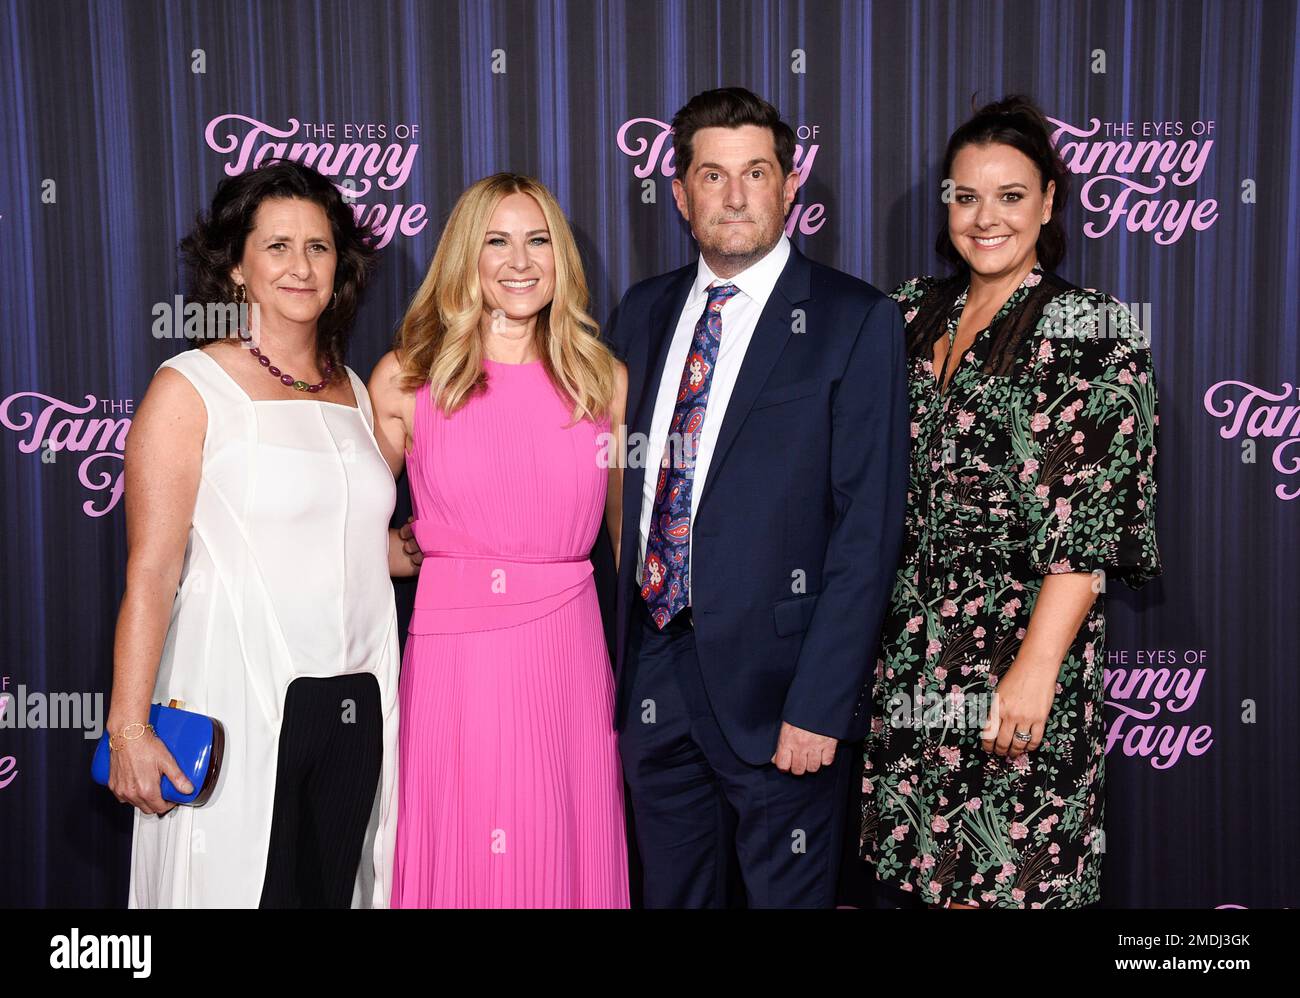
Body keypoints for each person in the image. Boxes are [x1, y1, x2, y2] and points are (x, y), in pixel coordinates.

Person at [606, 87, 909, 908]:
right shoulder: (642, 310)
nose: (735, 196)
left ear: (788, 185)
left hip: (783, 694)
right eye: (712, 175)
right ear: (680, 193)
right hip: (653, 673)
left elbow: (868, 532)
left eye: (755, 173)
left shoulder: (855, 319)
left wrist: (821, 704)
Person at [860, 96, 1162, 909]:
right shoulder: (911, 312)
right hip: (913, 653)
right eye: (965, 196)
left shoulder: (1093, 332)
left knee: (999, 885)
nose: (984, 218)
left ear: (1050, 201)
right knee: (924, 882)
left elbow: (1093, 524)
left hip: (1017, 651)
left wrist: (1034, 671)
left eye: (1010, 195)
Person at [106, 159, 416, 908]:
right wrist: (128, 727)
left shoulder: (353, 392)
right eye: (276, 246)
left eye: (317, 247)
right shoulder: (190, 386)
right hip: (239, 698)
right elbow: (152, 569)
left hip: (358, 702)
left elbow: (351, 541)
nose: (300, 267)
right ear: (237, 265)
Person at [368, 172, 630, 908]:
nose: (521, 261)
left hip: (568, 653)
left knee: (559, 840)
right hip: (459, 657)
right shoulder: (405, 380)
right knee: (468, 836)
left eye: (538, 239)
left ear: (562, 256)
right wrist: (410, 548)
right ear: (465, 259)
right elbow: (342, 522)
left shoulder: (601, 382)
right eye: (497, 241)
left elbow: (624, 545)